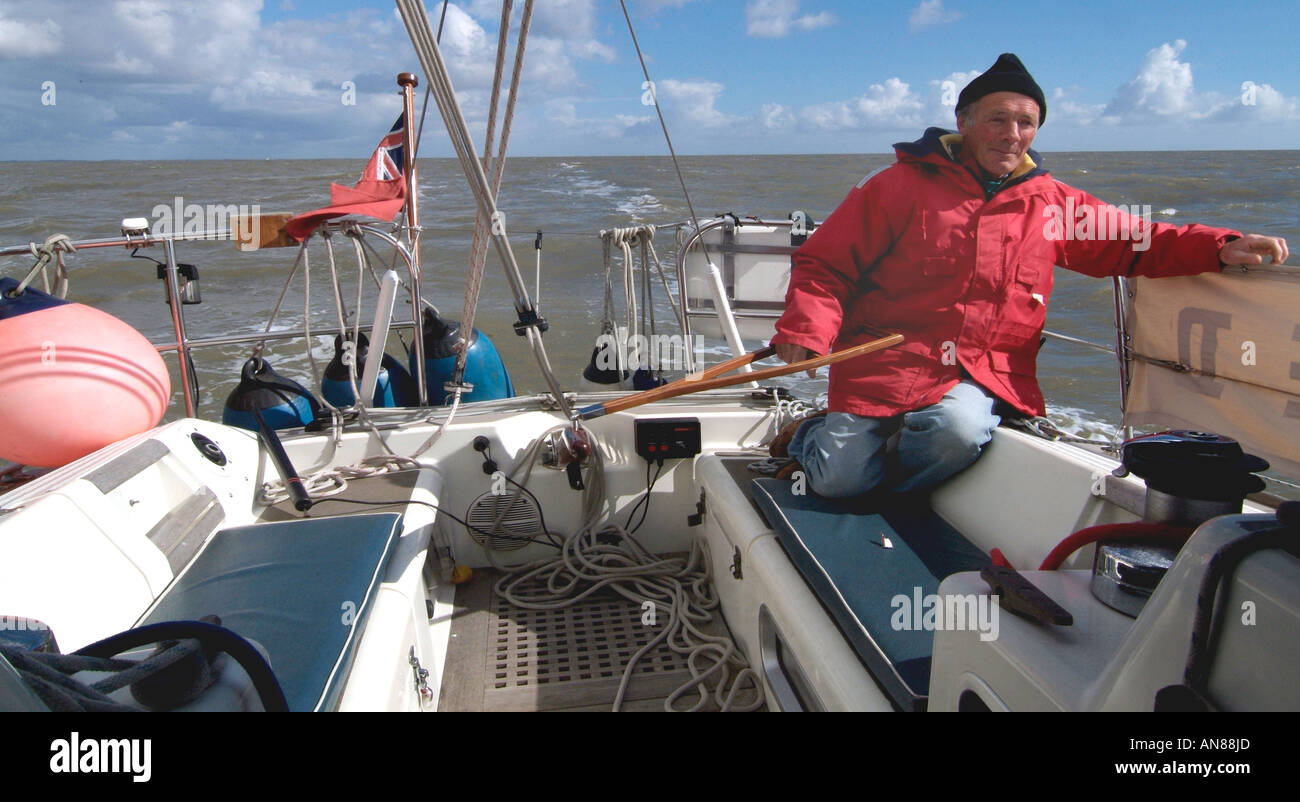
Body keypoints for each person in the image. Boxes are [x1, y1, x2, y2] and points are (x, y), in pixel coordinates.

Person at [770, 53, 1289, 498]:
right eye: (998, 119)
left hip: (980, 371)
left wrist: (1220, 247)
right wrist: (807, 331)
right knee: (838, 481)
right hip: (886, 361)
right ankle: (813, 434)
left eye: (1026, 122)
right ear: (965, 120)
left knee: (958, 432)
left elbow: (1132, 240)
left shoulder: (1050, 201)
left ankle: (886, 483)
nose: (1012, 135)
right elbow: (826, 264)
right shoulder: (896, 186)